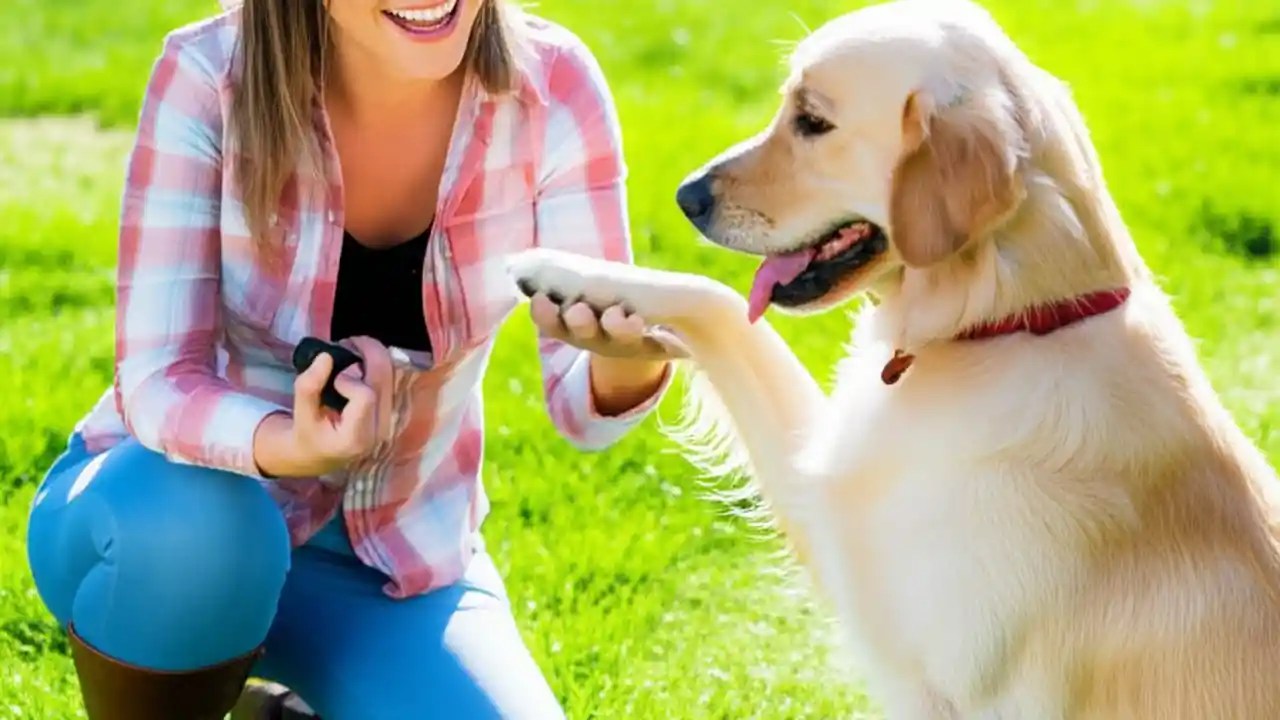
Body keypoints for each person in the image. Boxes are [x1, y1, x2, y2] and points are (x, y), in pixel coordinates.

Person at [24, 0, 683, 718]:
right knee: (204, 530)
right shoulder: (210, 75)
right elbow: (155, 383)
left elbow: (583, 412)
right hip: (163, 523)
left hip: (396, 565)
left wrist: (624, 360)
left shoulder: (554, 88)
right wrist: (287, 444)